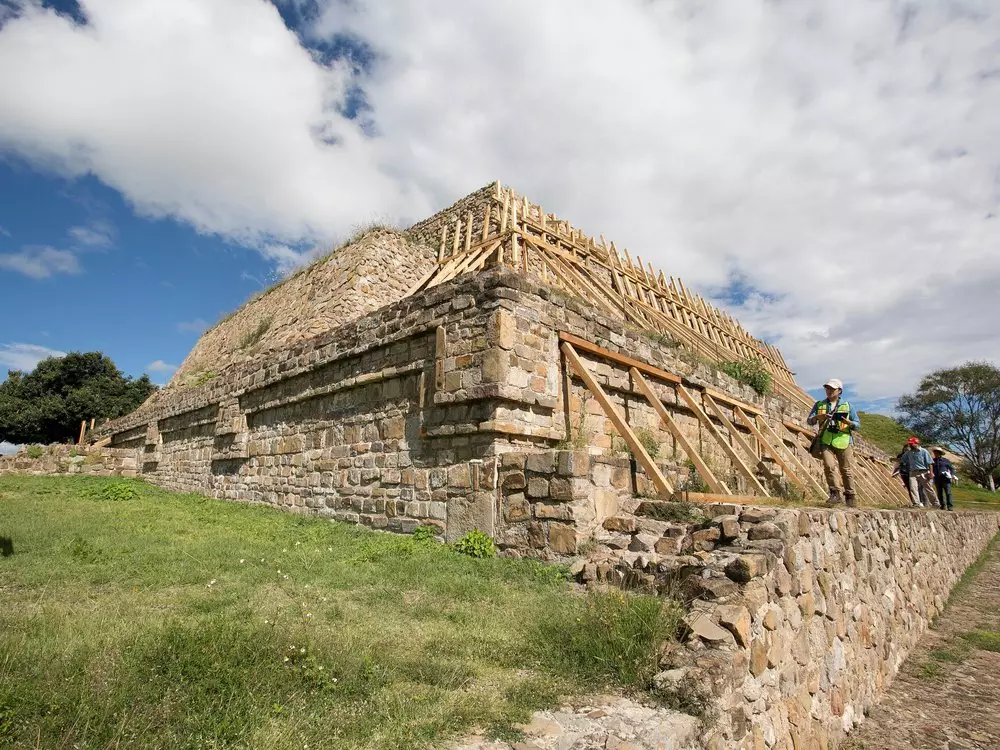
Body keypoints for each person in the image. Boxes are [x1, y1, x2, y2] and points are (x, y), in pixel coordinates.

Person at [807, 378, 861, 507]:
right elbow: (809, 420)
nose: (829, 391)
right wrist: (816, 418)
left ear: (839, 391)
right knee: (829, 466)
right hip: (826, 439)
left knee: (845, 469)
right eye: (827, 388)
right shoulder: (819, 404)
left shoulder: (848, 406)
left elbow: (858, 424)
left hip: (843, 440)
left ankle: (850, 495)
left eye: (832, 389)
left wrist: (850, 423)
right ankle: (834, 493)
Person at [900, 437, 936, 508]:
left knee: (928, 488)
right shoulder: (908, 453)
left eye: (912, 444)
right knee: (913, 488)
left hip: (923, 472)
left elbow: (930, 463)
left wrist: (931, 473)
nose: (910, 445)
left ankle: (935, 503)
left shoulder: (923, 451)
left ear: (916, 443)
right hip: (912, 472)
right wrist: (893, 459)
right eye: (910, 444)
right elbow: (902, 460)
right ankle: (916, 503)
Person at [931, 447, 956, 511]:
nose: (935, 454)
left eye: (937, 452)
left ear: (940, 453)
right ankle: (942, 506)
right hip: (937, 479)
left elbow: (952, 468)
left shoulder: (946, 461)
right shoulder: (933, 461)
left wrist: (952, 475)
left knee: (948, 493)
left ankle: (950, 506)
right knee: (939, 493)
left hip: (946, 479)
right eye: (934, 452)